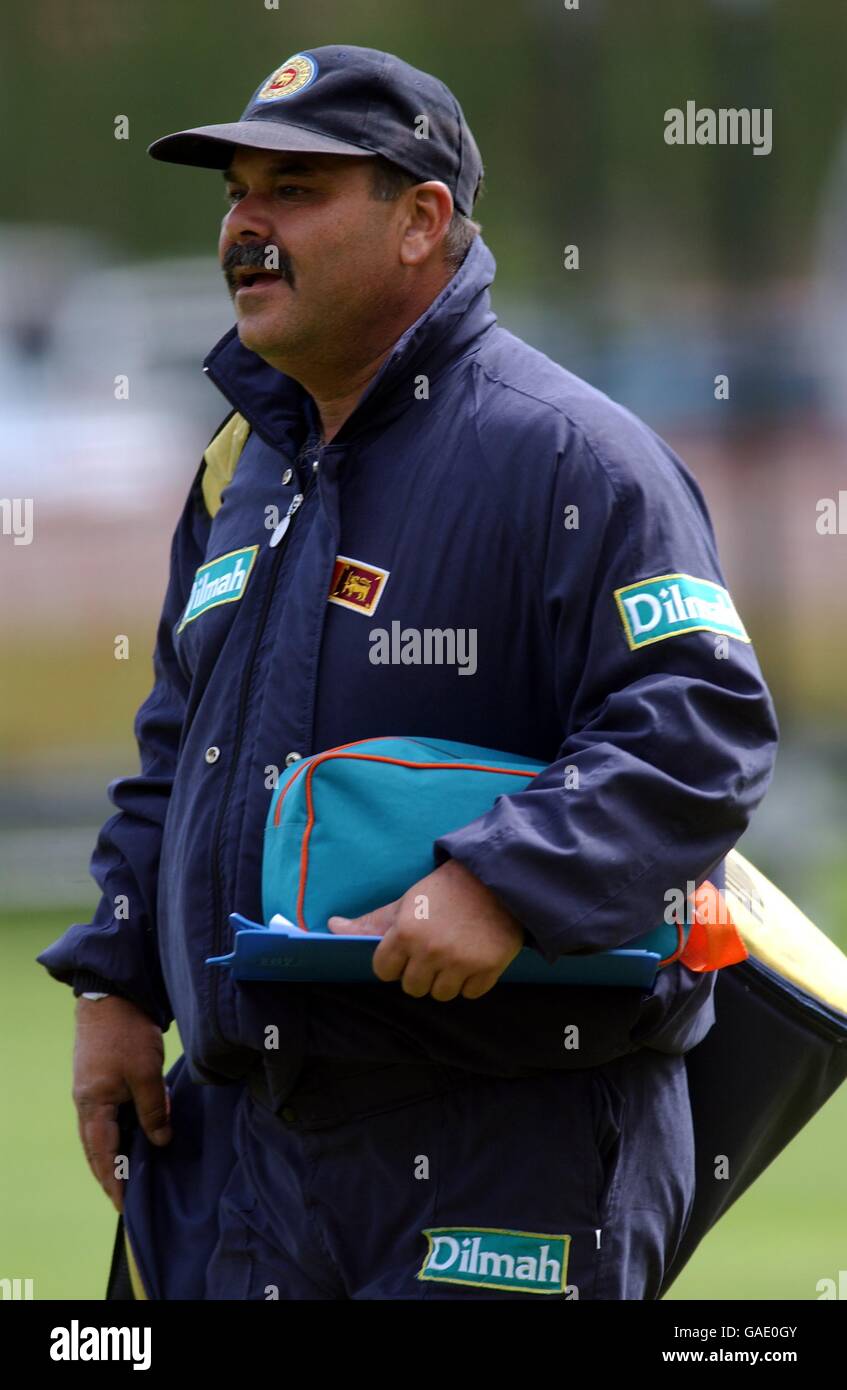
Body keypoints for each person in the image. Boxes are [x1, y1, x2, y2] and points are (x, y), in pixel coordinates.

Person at [38, 44, 778, 1300]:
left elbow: (697, 722)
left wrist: (505, 884)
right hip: (239, 1150)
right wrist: (117, 980)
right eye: (236, 193)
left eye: (294, 190)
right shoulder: (239, 468)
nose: (245, 228)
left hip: (509, 1151)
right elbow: (179, 748)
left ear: (420, 221)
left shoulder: (575, 459)